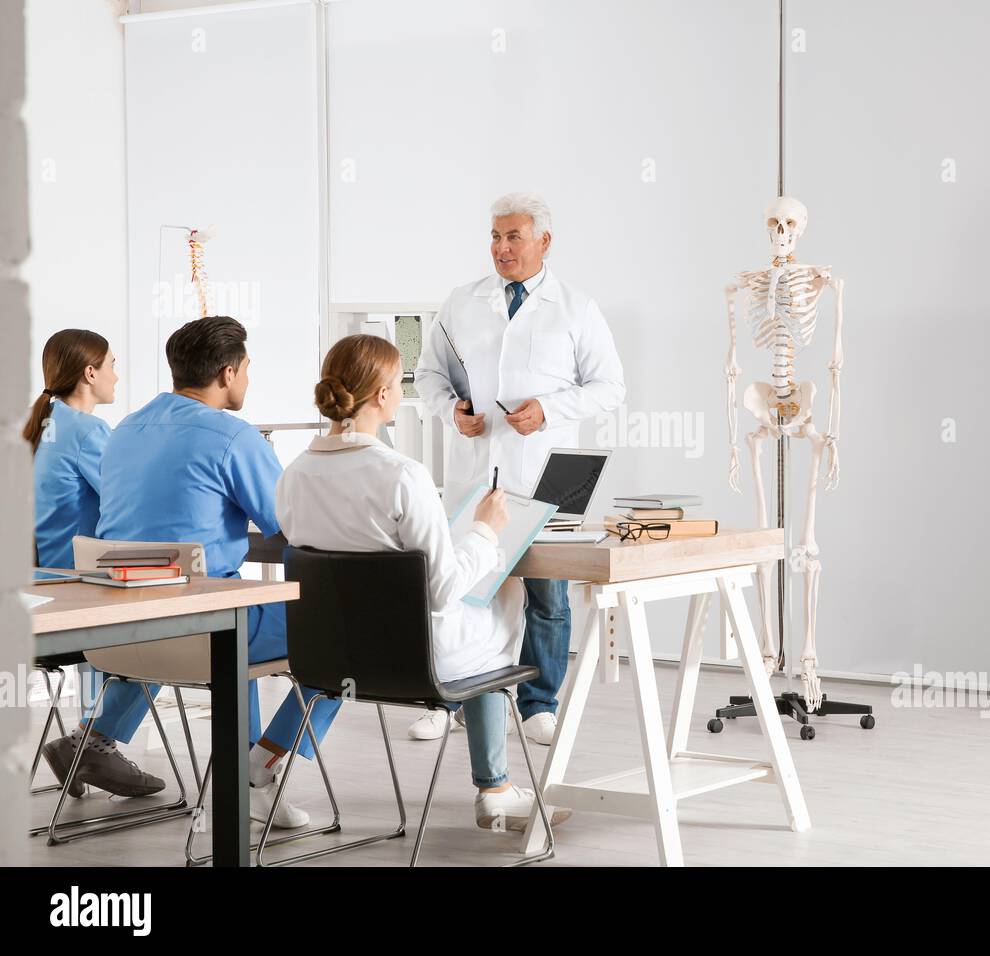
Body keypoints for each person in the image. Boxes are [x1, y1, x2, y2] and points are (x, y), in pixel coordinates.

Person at [41, 316, 339, 830]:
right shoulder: (232, 436)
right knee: (342, 633)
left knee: (226, 603)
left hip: (118, 637)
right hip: (204, 633)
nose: (248, 379)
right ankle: (259, 768)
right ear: (228, 373)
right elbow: (292, 521)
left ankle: (102, 737)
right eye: (247, 368)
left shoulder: (124, 430)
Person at [277, 333, 570, 831]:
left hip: (330, 657)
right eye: (399, 383)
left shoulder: (293, 475)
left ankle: (262, 765)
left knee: (479, 617)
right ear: (383, 395)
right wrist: (485, 530)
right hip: (415, 661)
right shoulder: (403, 476)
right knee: (502, 599)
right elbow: (442, 590)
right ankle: (495, 790)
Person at [411, 192, 625, 745]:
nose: (501, 247)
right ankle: (449, 698)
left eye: (513, 237)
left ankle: (538, 705)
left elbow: (610, 387)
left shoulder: (576, 307)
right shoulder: (462, 301)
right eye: (495, 236)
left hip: (545, 474)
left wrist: (549, 410)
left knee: (547, 596)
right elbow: (428, 375)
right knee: (461, 587)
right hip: (476, 472)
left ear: (544, 242)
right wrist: (450, 411)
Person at [25, 330, 118, 570]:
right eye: (112, 365)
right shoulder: (87, 431)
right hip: (74, 575)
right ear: (90, 373)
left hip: (38, 572)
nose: (116, 377)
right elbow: (125, 499)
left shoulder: (36, 421)